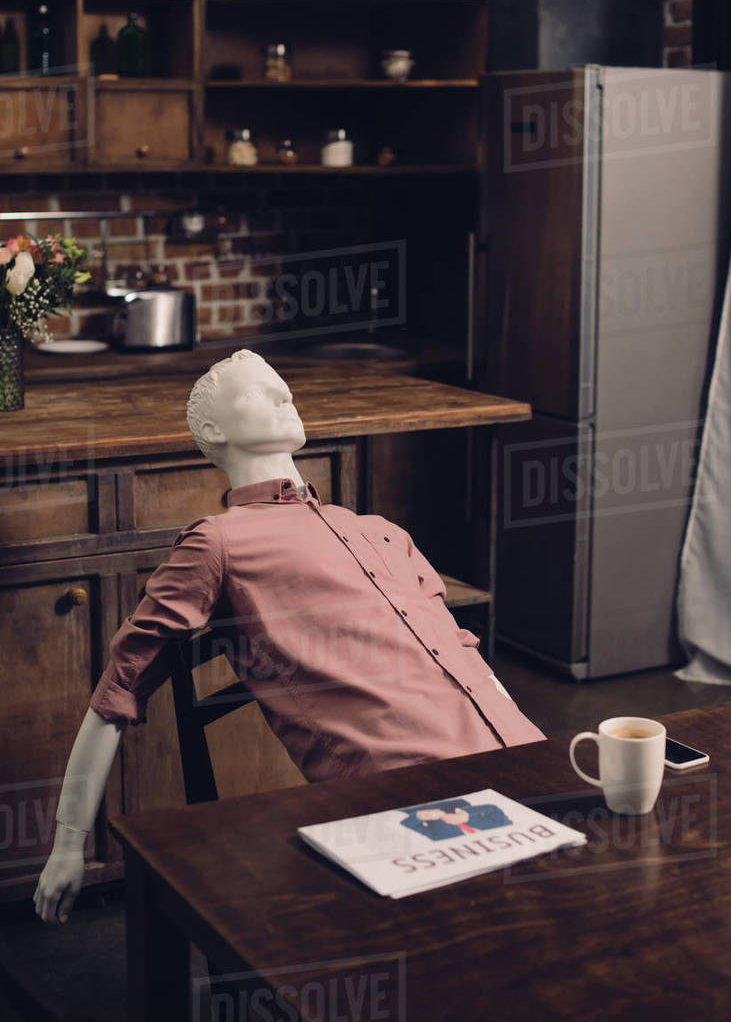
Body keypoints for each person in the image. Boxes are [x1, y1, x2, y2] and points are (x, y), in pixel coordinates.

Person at [34, 349, 545, 923]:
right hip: (417, 797)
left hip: (527, 757)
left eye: (285, 387)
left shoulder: (380, 531)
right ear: (213, 430)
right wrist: (68, 845)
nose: (285, 396)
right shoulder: (218, 544)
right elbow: (118, 690)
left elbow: (465, 654)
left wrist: (536, 748)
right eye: (261, 391)